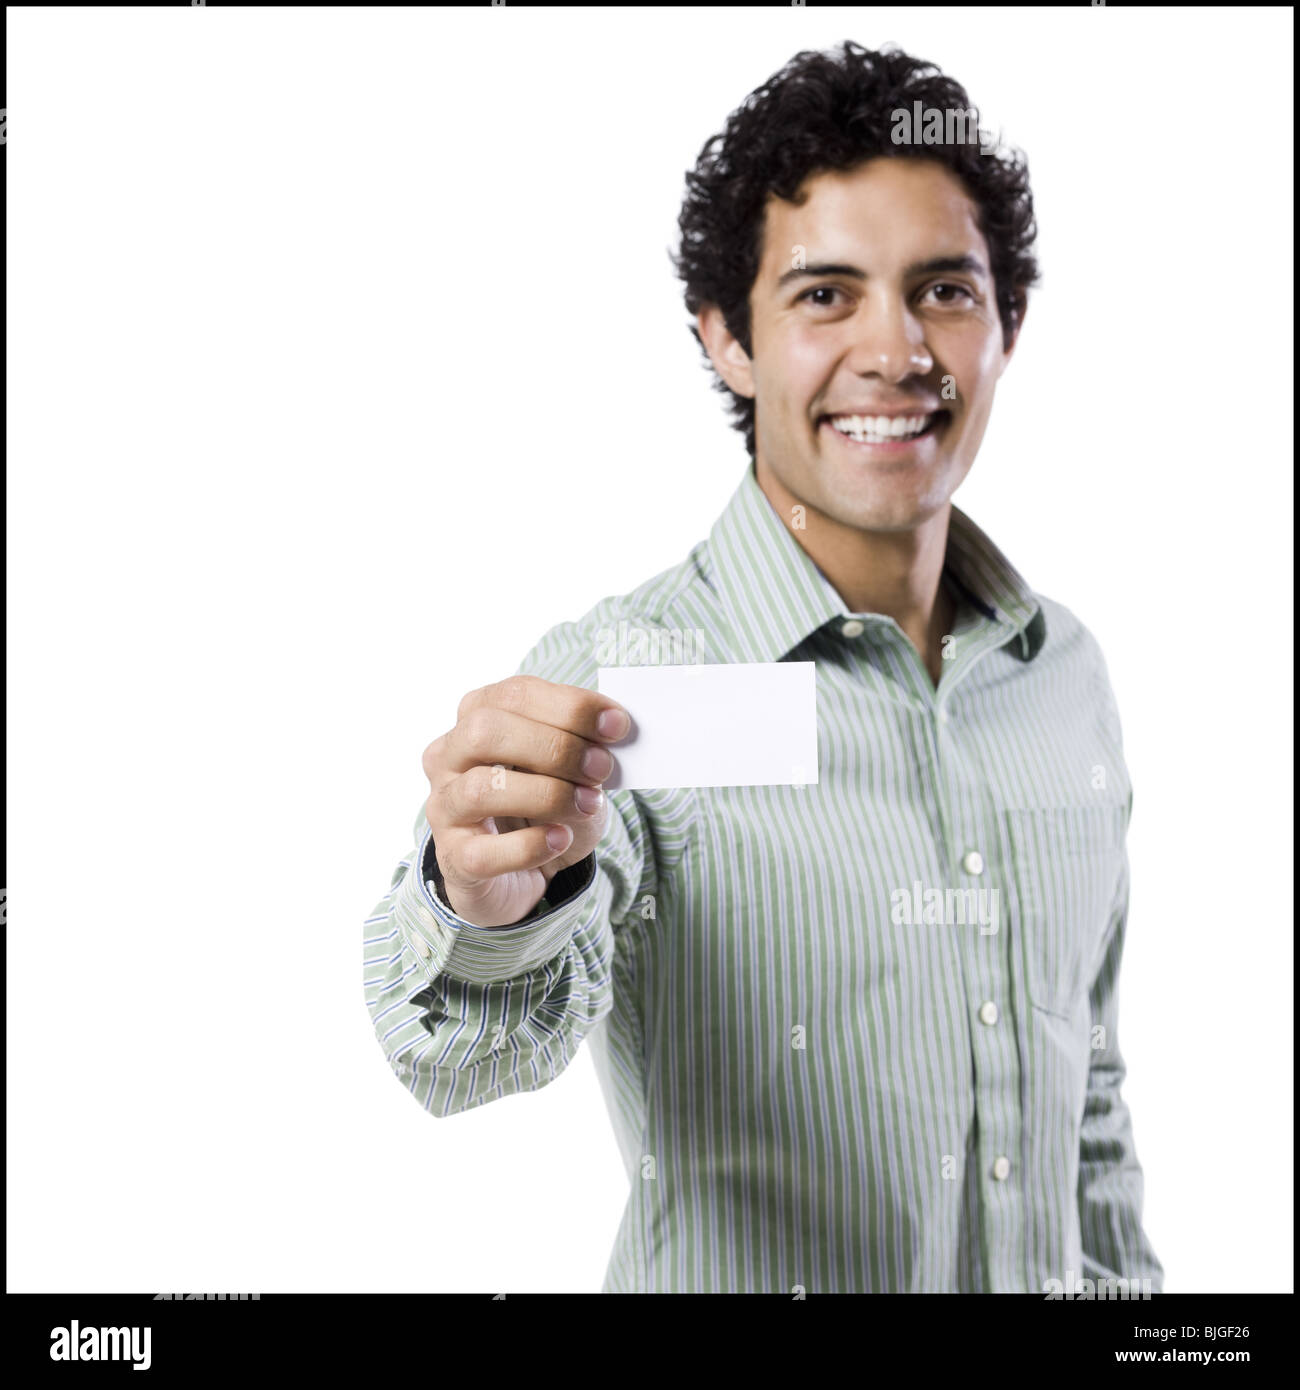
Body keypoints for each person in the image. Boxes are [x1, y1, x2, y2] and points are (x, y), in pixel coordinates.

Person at [362, 39, 1163, 1295]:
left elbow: (1088, 1098)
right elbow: (459, 1058)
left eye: (944, 290)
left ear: (1007, 320)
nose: (896, 351)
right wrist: (480, 904)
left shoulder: (1063, 673)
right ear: (727, 338)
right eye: (825, 295)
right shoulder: (623, 680)